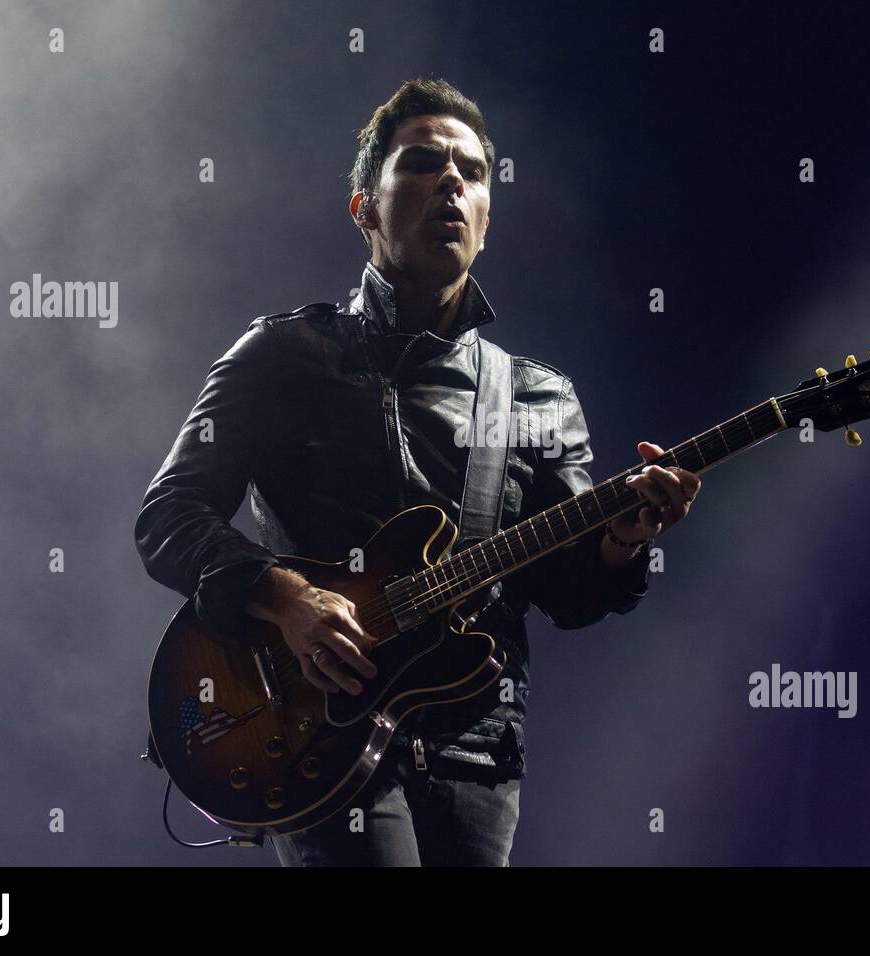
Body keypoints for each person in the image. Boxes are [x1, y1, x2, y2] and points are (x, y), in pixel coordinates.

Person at [134, 78, 702, 866]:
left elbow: (571, 594)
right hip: (318, 725)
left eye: (471, 173)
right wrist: (287, 599)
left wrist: (623, 542)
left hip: (480, 749)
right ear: (364, 207)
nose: (452, 184)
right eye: (424, 164)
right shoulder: (282, 356)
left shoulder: (538, 396)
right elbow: (168, 519)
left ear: (487, 222)